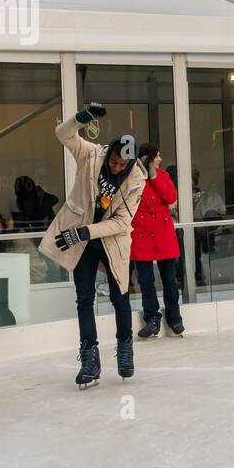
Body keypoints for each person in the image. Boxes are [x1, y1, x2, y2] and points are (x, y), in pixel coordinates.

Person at [40, 104, 147, 387]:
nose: (116, 167)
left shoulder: (137, 178)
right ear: (109, 151)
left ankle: (125, 350)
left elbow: (122, 223)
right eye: (114, 161)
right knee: (84, 298)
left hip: (110, 240)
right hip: (83, 239)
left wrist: (83, 233)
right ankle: (90, 358)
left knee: (119, 296)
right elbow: (62, 134)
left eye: (123, 165)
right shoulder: (90, 154)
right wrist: (82, 117)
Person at [131, 142, 183, 339]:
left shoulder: (163, 176)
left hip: (162, 232)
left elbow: (170, 197)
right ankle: (152, 318)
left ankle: (174, 317)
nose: (160, 159)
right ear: (146, 159)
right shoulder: (133, 177)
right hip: (141, 233)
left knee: (169, 279)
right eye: (156, 156)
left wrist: (153, 177)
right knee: (145, 280)